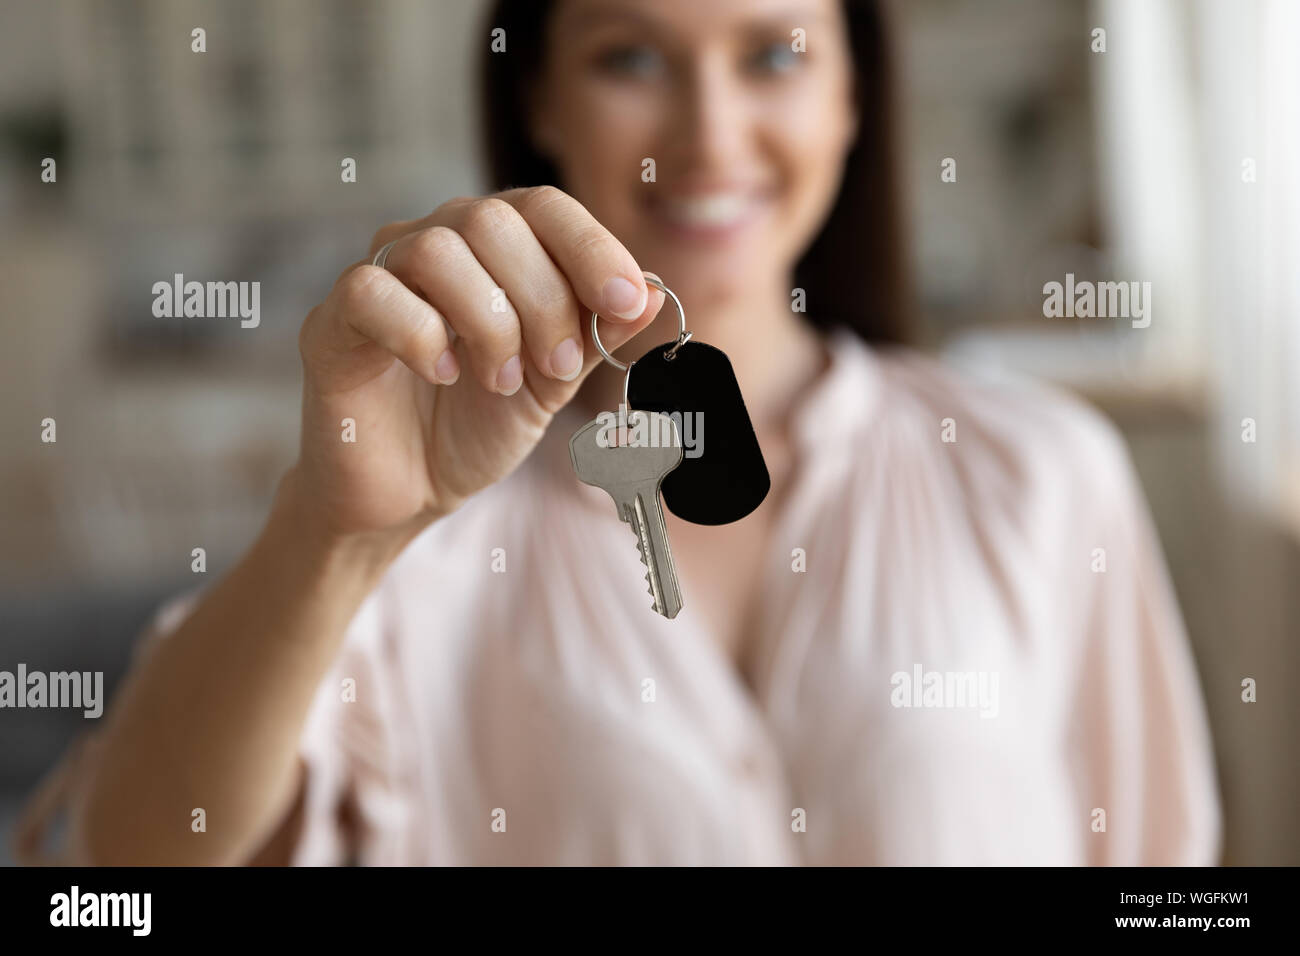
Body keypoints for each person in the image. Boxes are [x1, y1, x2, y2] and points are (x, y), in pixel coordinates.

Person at [15, 0, 1220, 866]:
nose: (709, 133)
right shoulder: (424, 529)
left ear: (853, 90)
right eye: (630, 55)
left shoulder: (1043, 471)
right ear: (538, 95)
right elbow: (125, 863)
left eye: (774, 53)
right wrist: (335, 530)